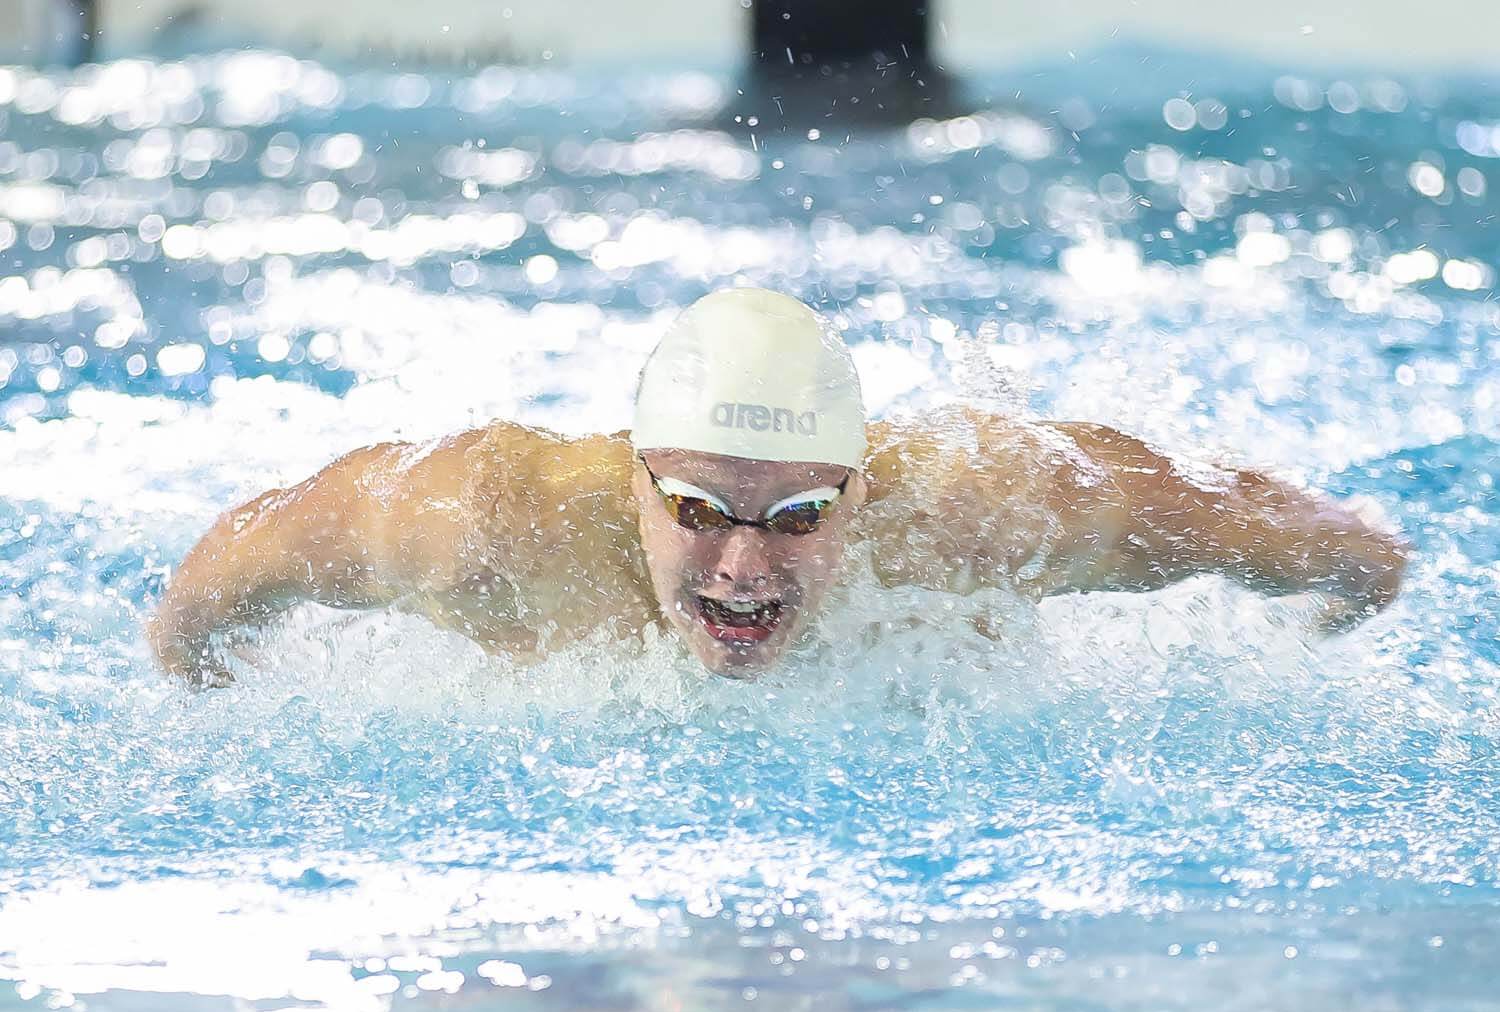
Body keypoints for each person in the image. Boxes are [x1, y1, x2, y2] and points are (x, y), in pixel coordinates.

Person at [148, 288, 1407, 685]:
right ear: (632, 483)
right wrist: (193, 671)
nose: (746, 569)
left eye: (800, 516)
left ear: (862, 496)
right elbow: (221, 576)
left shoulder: (992, 505)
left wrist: (1343, 597)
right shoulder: (484, 519)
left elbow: (1325, 544)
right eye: (697, 509)